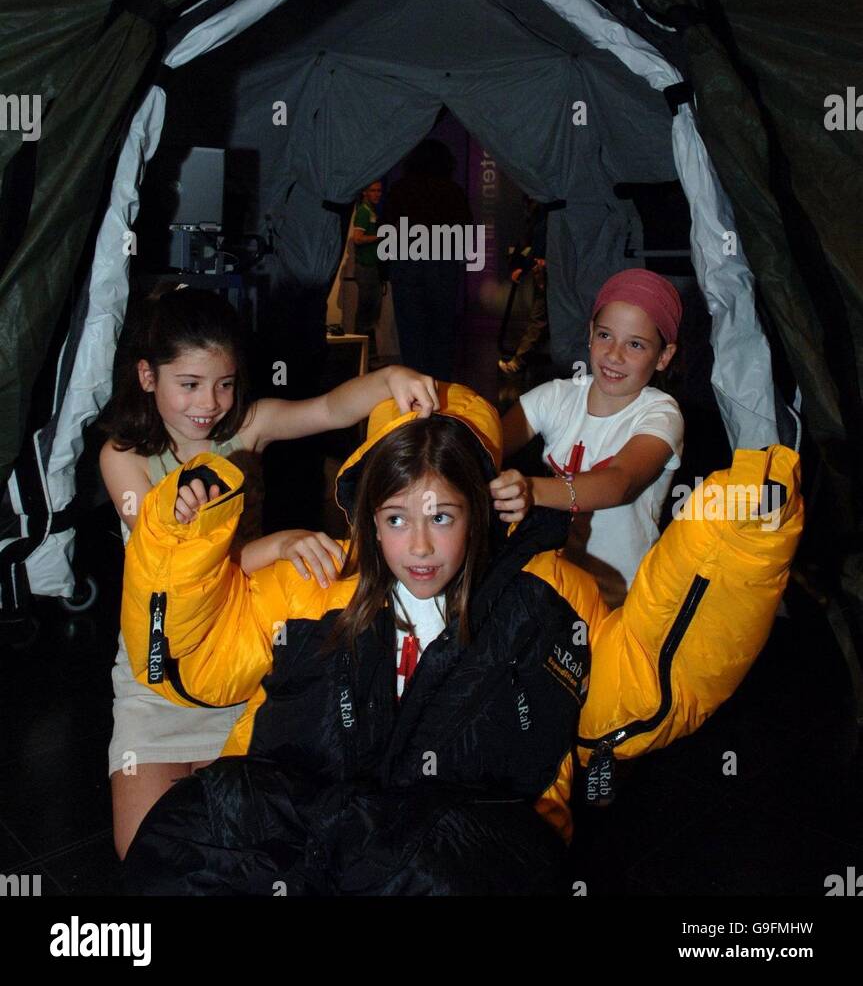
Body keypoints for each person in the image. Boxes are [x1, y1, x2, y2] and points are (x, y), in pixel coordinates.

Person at [119, 382, 802, 896]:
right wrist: (182, 541)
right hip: (301, 820)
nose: (417, 546)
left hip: (462, 841)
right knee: (187, 833)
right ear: (367, 514)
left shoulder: (545, 594)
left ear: (480, 506)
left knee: (436, 869)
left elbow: (638, 700)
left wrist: (730, 546)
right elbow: (184, 664)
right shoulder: (317, 580)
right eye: (394, 518)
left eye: (441, 515)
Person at [98, 285, 438, 858]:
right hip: (156, 668)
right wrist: (278, 545)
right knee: (149, 855)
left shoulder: (245, 427)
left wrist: (389, 380)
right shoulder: (123, 457)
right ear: (147, 377)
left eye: (225, 383)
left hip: (244, 651)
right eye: (190, 384)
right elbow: (165, 577)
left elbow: (329, 408)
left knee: (251, 848)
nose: (211, 404)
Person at [490, 269, 684, 609]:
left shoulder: (661, 415)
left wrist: (530, 491)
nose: (615, 355)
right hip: (554, 588)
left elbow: (618, 484)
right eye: (606, 335)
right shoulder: (557, 396)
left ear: (664, 356)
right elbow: (486, 444)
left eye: (635, 344)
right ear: (590, 333)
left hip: (619, 600)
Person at [383, 138, 473, 381]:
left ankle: (414, 393)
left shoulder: (400, 189)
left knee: (411, 335)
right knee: (441, 334)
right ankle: (440, 390)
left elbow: (389, 230)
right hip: (443, 267)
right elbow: (465, 230)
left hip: (408, 266)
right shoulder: (453, 191)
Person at [498, 197, 549, 377]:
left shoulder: (543, 214)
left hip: (546, 270)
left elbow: (535, 244)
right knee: (541, 316)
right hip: (545, 269)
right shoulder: (544, 213)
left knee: (539, 317)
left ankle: (519, 362)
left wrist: (525, 265)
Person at [350, 180, 384, 348]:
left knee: (371, 312)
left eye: (379, 191)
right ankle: (360, 352)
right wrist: (380, 237)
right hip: (366, 267)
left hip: (372, 266)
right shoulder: (364, 212)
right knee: (366, 312)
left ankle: (366, 353)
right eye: (373, 190)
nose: (377, 194)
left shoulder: (371, 210)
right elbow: (357, 238)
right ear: (365, 192)